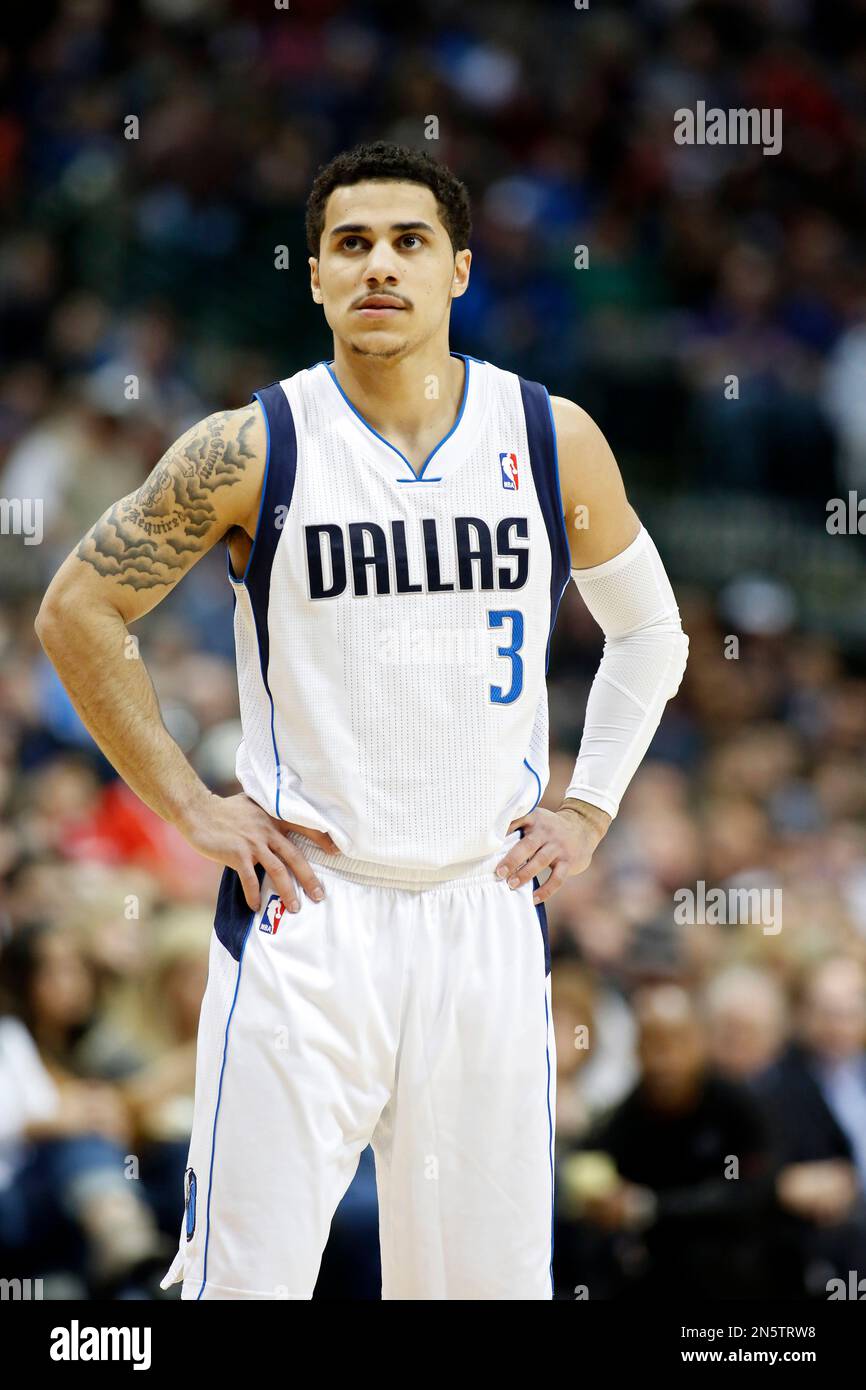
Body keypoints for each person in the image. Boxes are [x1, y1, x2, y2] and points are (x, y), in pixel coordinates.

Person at [34, 140, 689, 1300]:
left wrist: (589, 805)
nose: (378, 265)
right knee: (245, 1284)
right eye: (350, 244)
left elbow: (653, 632)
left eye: (407, 242)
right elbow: (78, 612)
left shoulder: (548, 435)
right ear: (316, 277)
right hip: (308, 921)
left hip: (484, 916)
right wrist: (188, 805)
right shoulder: (249, 445)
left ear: (459, 271)